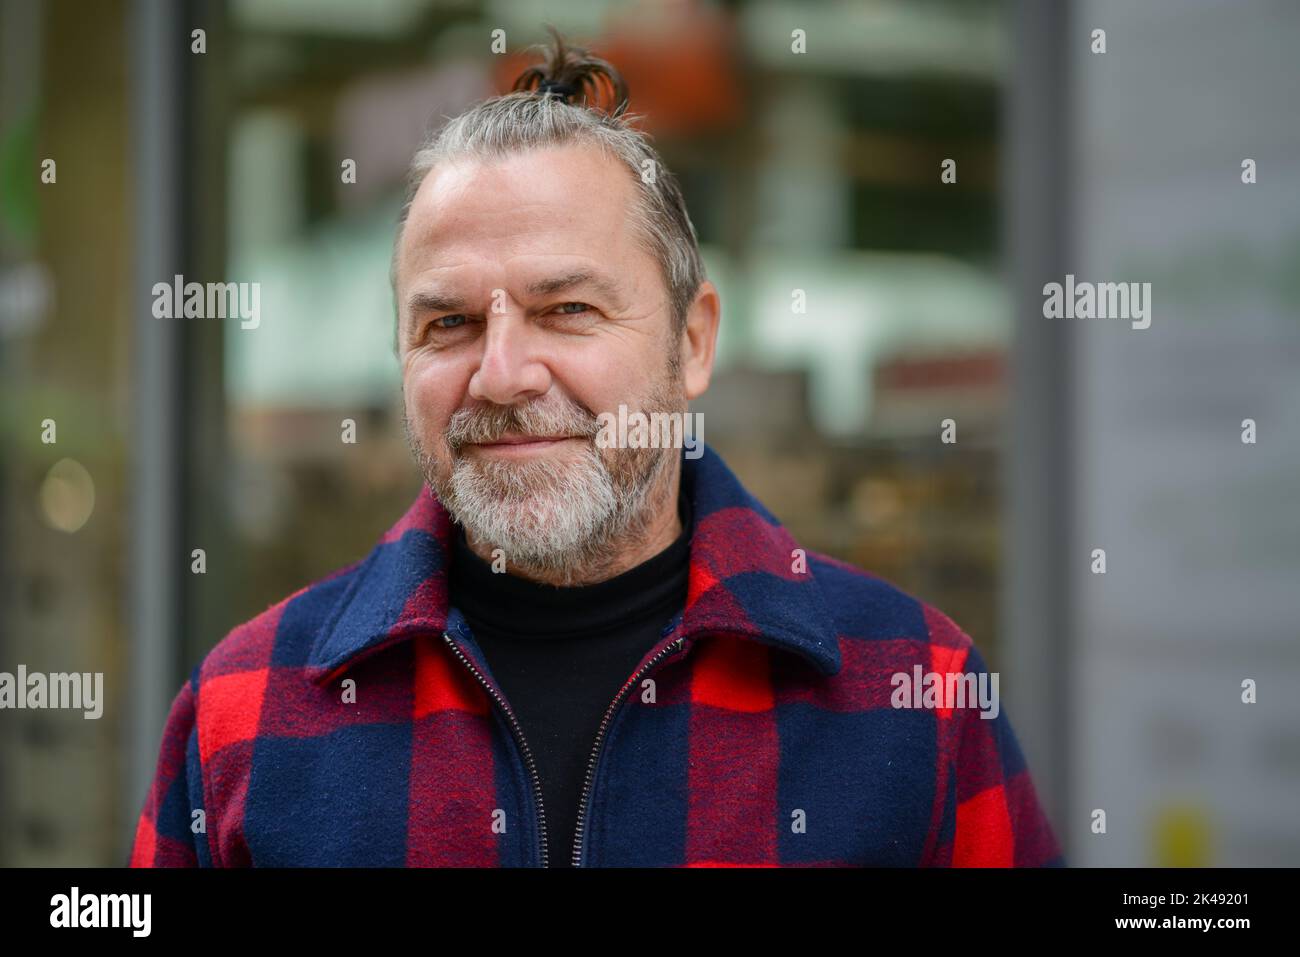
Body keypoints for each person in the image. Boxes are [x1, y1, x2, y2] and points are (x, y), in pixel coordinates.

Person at [129, 27, 1063, 868]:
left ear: (692, 342)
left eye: (566, 309)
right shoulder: (241, 713)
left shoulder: (915, 695)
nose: (501, 374)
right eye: (448, 323)